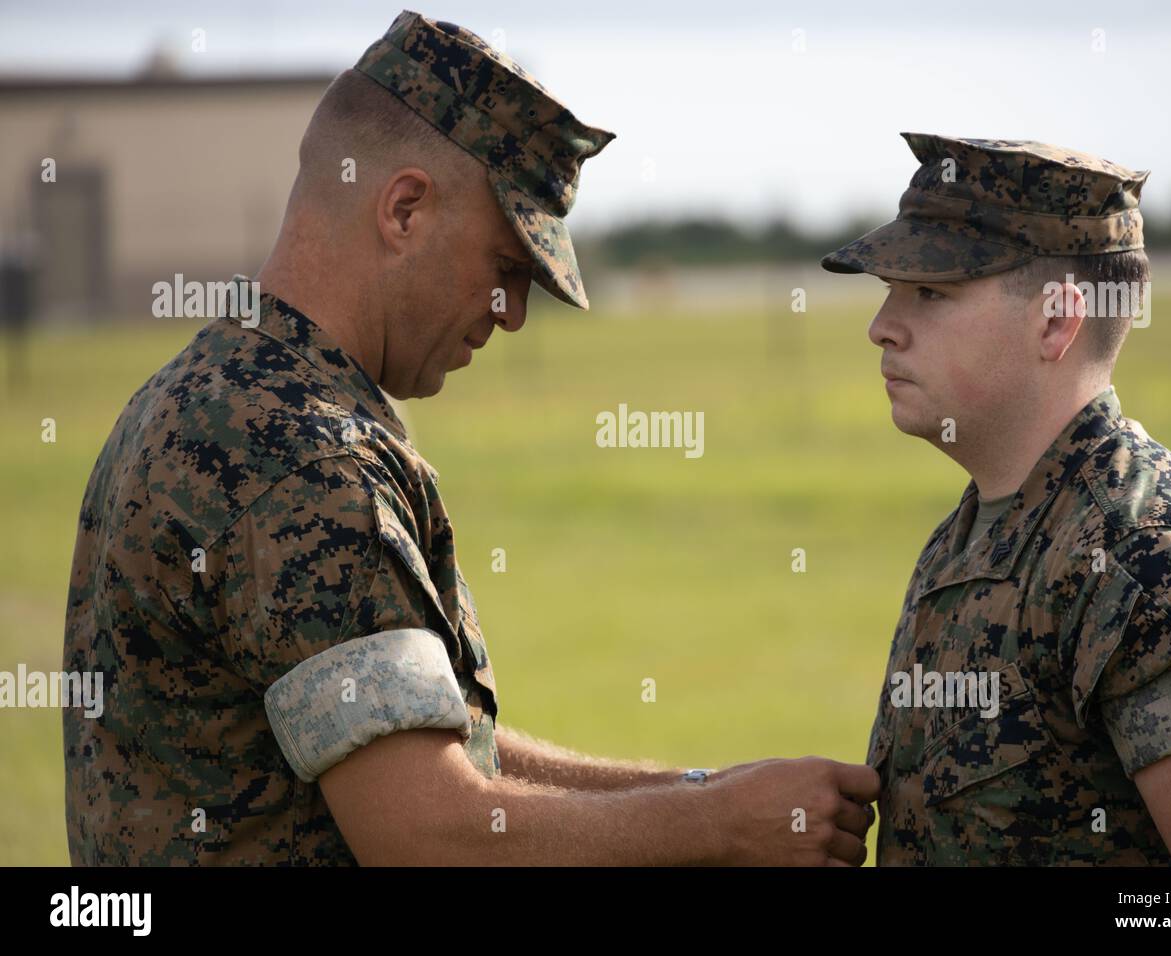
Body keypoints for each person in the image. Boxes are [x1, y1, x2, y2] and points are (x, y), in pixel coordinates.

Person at [63, 13, 877, 866]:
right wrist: (717, 827)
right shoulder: (308, 458)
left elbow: (417, 747)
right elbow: (432, 834)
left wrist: (703, 793)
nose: (513, 316)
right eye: (504, 268)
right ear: (405, 209)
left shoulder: (205, 389)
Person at [821, 132, 1171, 865]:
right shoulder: (975, 532)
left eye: (929, 292)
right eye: (890, 290)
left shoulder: (1154, 564)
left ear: (1055, 319)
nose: (881, 326)